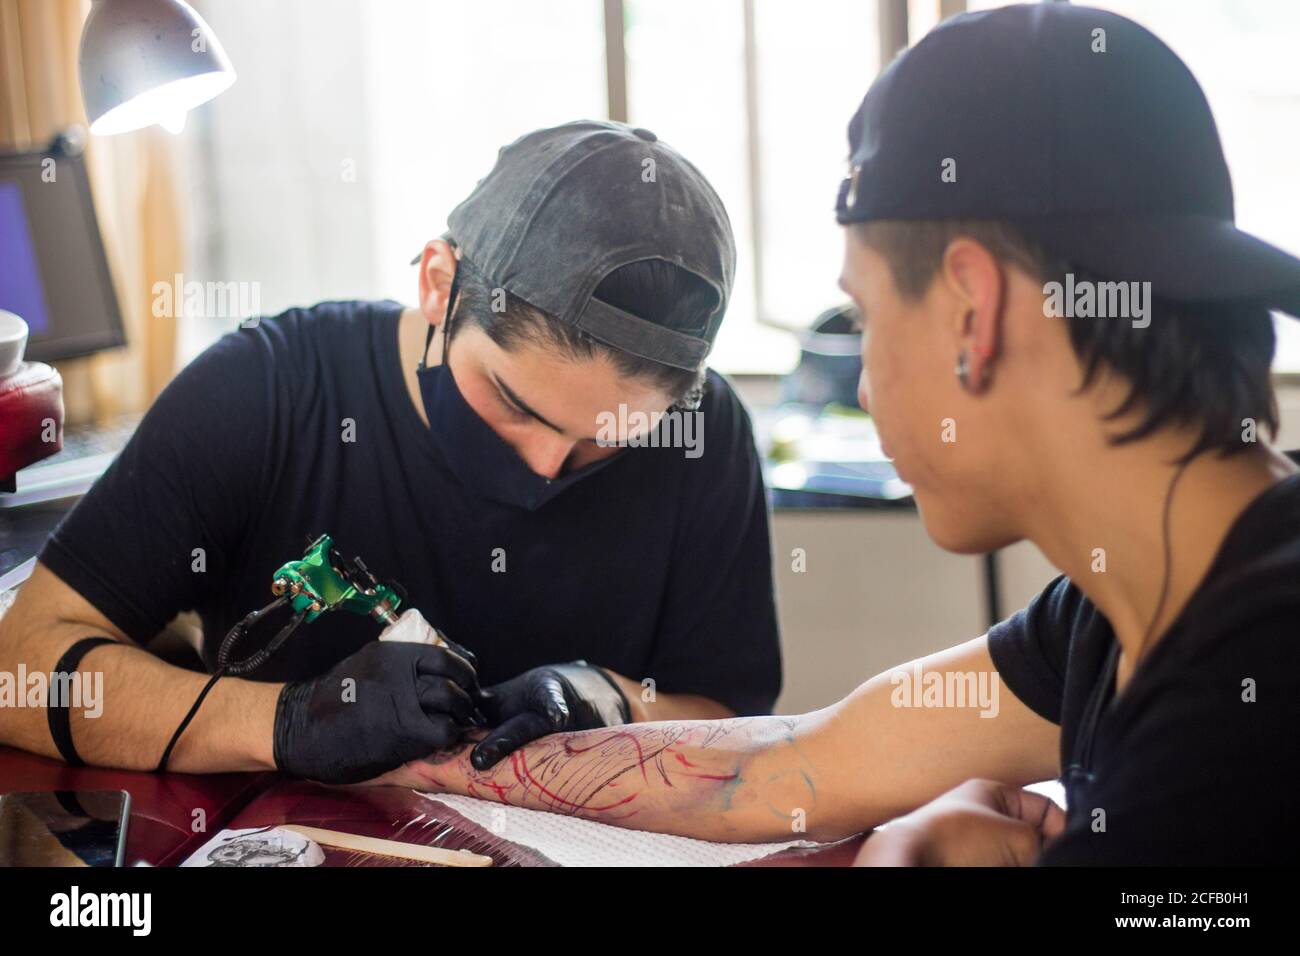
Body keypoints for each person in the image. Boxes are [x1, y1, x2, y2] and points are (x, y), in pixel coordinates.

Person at [377, 5, 1300, 865]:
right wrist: (427, 763)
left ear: (972, 315)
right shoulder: (1115, 614)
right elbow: (795, 762)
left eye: (863, 319)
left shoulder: (1239, 713)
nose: (861, 382)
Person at [0, 121, 781, 784]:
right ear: (440, 284)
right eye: (514, 404)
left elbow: (726, 716)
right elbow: (17, 669)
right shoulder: (269, 389)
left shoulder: (705, 436)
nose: (544, 465)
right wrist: (286, 723)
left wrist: (607, 698)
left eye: (607, 442)